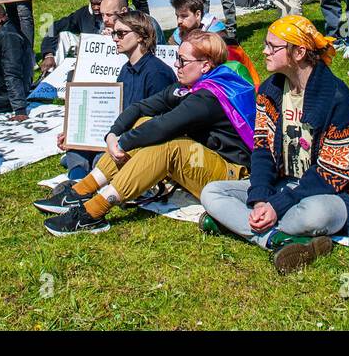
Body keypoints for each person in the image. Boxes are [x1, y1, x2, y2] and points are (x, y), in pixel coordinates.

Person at [200, 16, 349, 274]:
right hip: (281, 186)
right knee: (212, 192)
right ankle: (276, 240)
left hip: (329, 194)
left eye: (272, 47)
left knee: (314, 215)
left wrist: (277, 205)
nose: (264, 51)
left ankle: (236, 223)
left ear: (299, 52)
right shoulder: (270, 90)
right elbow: (261, 149)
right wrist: (261, 198)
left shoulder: (337, 96)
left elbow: (333, 173)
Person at [35, 31, 254, 235]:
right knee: (143, 121)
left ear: (205, 65)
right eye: (177, 58)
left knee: (169, 146)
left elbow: (164, 126)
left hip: (230, 176)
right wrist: (113, 134)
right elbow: (141, 108)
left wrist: (122, 144)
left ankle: (93, 212)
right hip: (205, 160)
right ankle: (82, 190)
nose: (176, 66)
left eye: (183, 61)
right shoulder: (188, 86)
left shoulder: (208, 96)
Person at [56, 9, 176, 180]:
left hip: (139, 139)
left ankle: (84, 180)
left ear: (141, 35)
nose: (114, 39)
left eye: (121, 33)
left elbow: (158, 122)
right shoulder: (126, 69)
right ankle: (77, 179)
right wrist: (77, 133)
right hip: (120, 130)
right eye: (114, 33)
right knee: (76, 146)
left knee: (102, 155)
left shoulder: (157, 73)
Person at [168, 0, 260, 86]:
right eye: (177, 16)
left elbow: (228, 70)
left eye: (184, 16)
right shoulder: (181, 31)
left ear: (197, 14)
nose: (179, 21)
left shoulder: (218, 35)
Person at [37, 0, 113, 77]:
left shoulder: (119, 13)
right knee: (64, 35)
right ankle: (48, 76)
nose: (95, 8)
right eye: (93, 4)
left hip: (110, 56)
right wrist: (48, 54)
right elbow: (55, 27)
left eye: (99, 4)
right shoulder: (84, 13)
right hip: (87, 51)